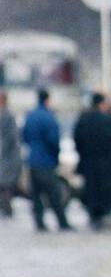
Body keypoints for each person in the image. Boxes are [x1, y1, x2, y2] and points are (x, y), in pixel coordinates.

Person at [73, 93, 111, 229]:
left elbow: (77, 139)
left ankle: (96, 216)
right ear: (102, 104)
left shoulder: (83, 120)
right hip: (109, 162)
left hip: (90, 162)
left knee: (93, 191)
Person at [21, 89, 73, 232]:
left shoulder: (30, 116)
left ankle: (39, 223)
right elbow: (53, 140)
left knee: (36, 196)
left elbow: (24, 136)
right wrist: (55, 156)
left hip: (32, 160)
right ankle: (62, 223)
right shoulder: (49, 117)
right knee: (54, 194)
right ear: (47, 100)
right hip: (46, 162)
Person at [0, 91, 22, 217]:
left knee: (6, 184)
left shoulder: (7, 116)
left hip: (8, 159)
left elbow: (10, 139)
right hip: (6, 159)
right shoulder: (5, 115)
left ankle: (7, 209)